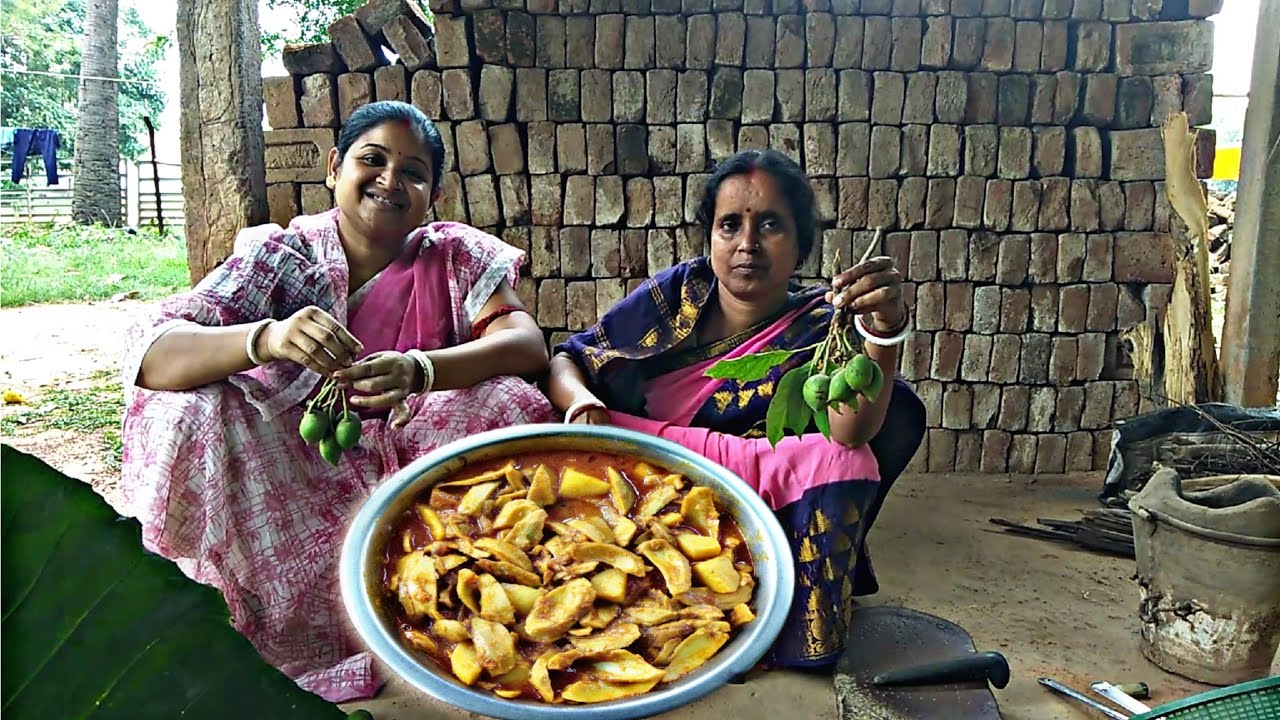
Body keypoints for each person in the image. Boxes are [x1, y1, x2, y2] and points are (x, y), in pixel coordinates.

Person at [116, 101, 556, 701]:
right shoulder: (280, 258)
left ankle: (483, 606)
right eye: (372, 161)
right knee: (186, 409)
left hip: (420, 455)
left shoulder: (454, 256)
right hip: (296, 467)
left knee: (509, 402)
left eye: (413, 173)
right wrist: (264, 338)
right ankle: (206, 624)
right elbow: (154, 356)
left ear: (435, 194)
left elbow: (525, 344)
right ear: (333, 167)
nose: (389, 182)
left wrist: (421, 369)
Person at [547, 149, 927, 671]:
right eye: (730, 225)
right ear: (710, 239)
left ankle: (776, 608)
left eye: (770, 224)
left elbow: (849, 431)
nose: (747, 244)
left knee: (865, 439)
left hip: (757, 498)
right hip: (642, 474)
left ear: (800, 245)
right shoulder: (678, 293)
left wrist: (883, 331)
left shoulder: (823, 324)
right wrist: (584, 402)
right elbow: (570, 358)